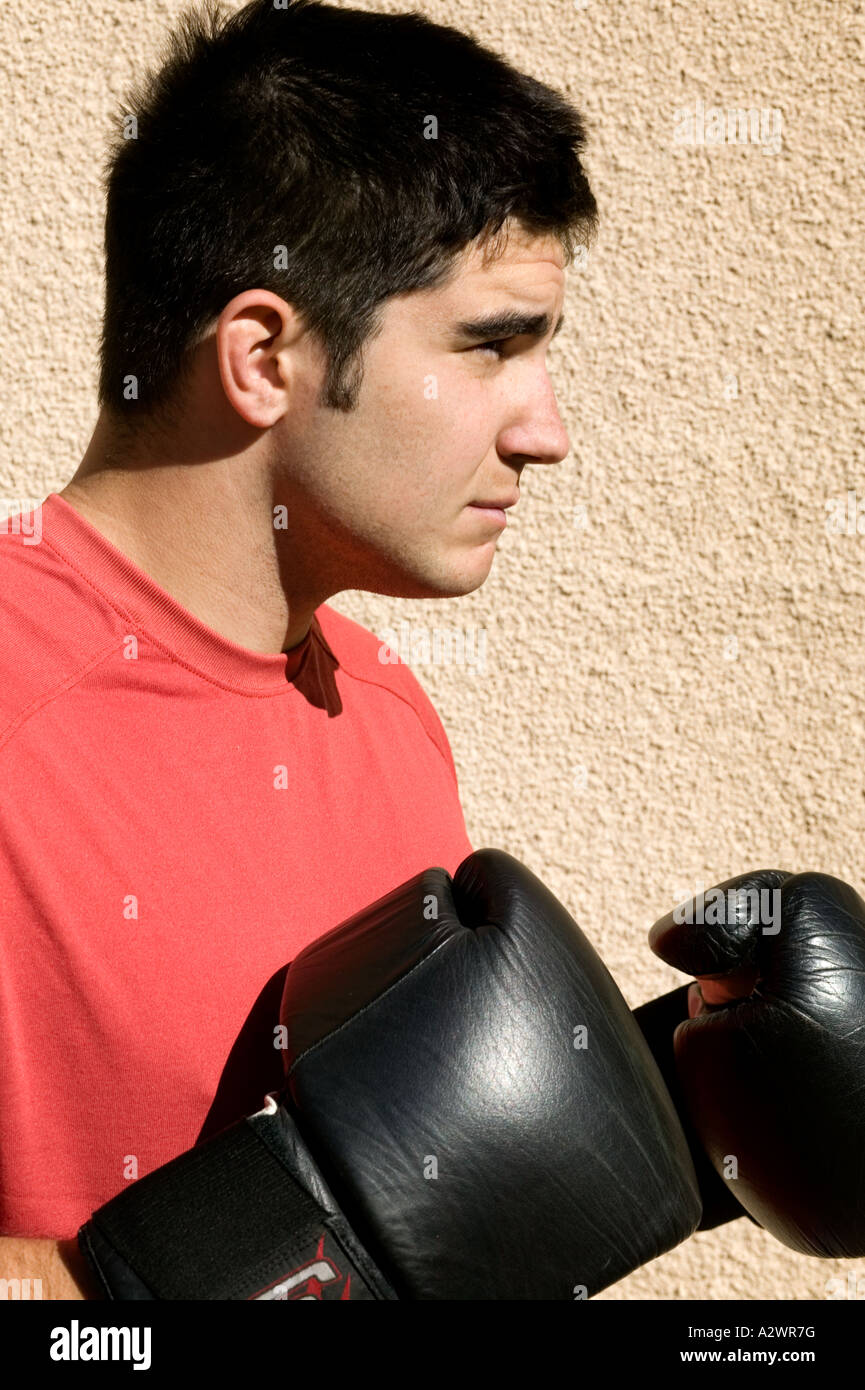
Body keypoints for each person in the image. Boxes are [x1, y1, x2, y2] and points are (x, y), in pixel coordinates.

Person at [0, 0, 598, 1297]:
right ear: (264, 355)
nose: (543, 430)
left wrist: (672, 1107)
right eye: (488, 346)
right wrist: (124, 1286)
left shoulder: (383, 714)